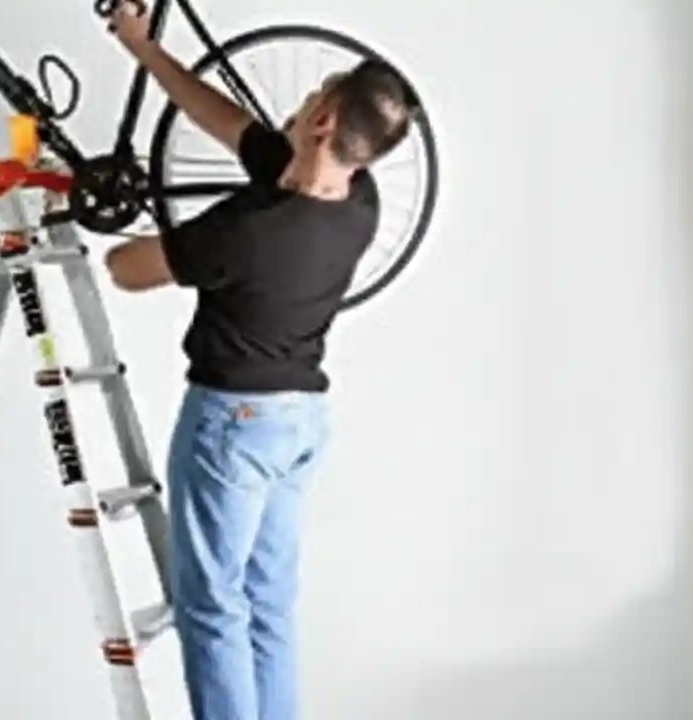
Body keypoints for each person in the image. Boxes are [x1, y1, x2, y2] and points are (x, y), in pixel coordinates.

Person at [101, 3, 416, 719]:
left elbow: (125, 268)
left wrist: (124, 230)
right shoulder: (356, 200)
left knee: (211, 611)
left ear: (325, 121)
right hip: (298, 425)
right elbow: (230, 123)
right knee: (268, 606)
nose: (300, 101)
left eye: (314, 93)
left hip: (231, 430)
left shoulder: (249, 229)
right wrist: (145, 53)